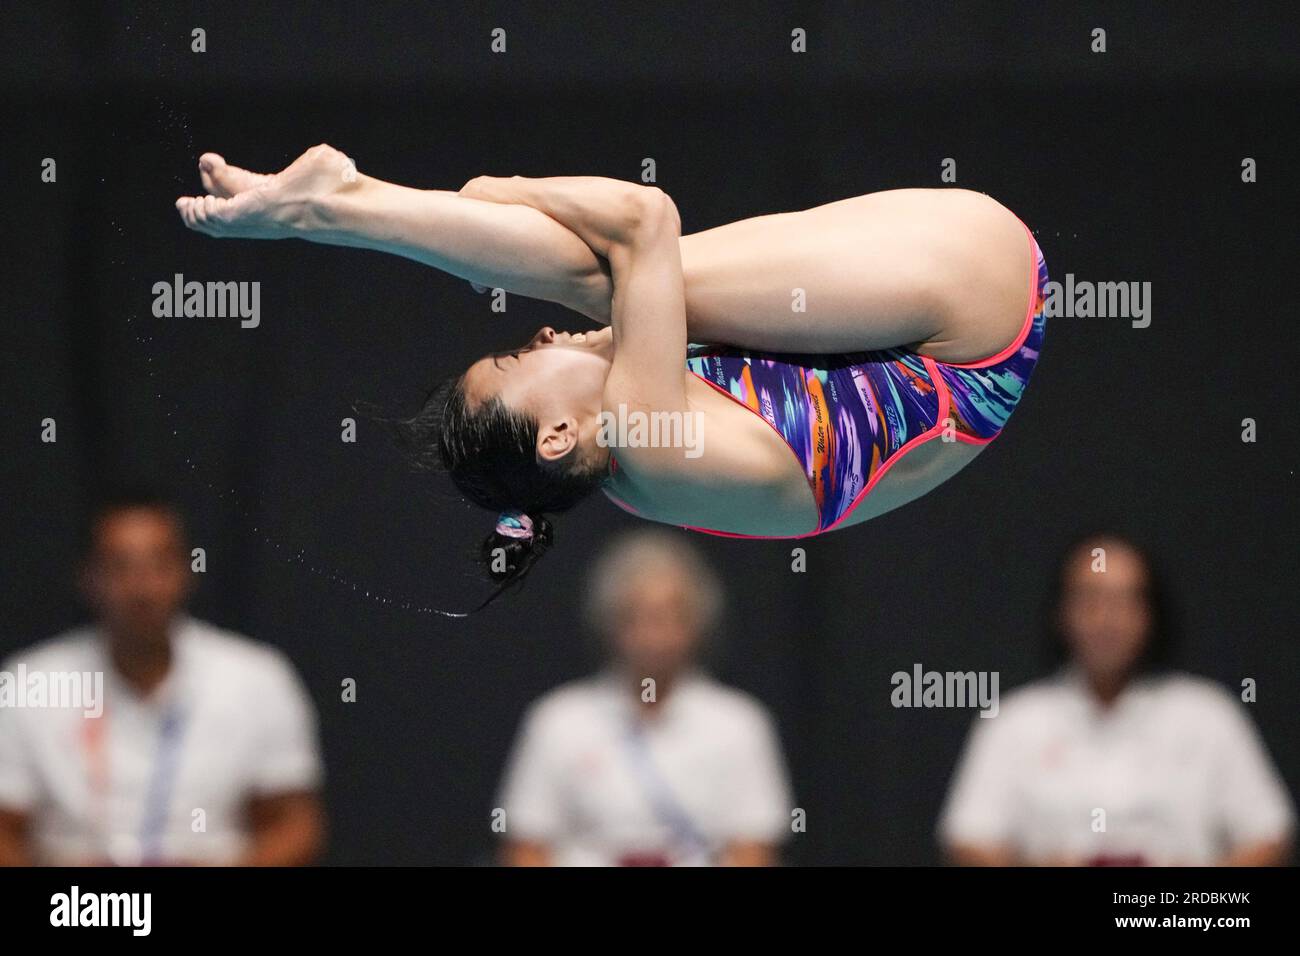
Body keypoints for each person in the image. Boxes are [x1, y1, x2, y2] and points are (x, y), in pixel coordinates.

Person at [175, 145, 1047, 600]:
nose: (536, 342)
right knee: (603, 274)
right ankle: (336, 205)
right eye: (519, 360)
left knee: (606, 287)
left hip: (956, 328)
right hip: (972, 315)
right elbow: (643, 214)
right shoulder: (641, 431)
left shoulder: (630, 461)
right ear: (557, 434)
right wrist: (499, 187)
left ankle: (339, 205)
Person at [0, 487, 325, 866]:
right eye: (120, 566)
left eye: (159, 563)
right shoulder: (27, 684)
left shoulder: (256, 678)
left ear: (187, 571)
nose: (142, 587)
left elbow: (297, 823)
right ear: (88, 577)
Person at [938, 532, 1294, 866]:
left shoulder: (1207, 714)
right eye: (1091, 600)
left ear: (1150, 614)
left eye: (1125, 600)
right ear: (1061, 612)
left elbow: (1270, 832)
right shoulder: (1014, 720)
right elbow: (968, 837)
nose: (1108, 620)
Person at [496, 529, 793, 866]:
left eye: (670, 617)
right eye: (637, 617)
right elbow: (526, 846)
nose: (654, 636)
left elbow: (753, 849)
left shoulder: (740, 724)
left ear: (699, 622)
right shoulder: (557, 720)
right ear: (609, 621)